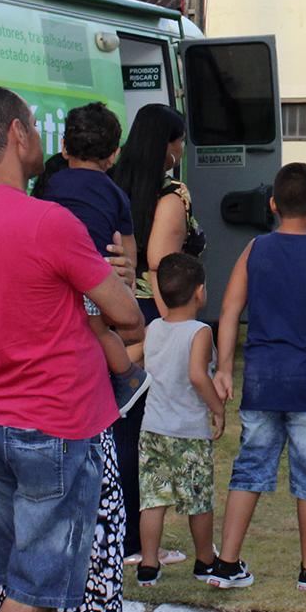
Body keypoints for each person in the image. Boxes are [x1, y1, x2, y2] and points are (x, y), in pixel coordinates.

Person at [0, 85, 147, 612]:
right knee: (32, 595)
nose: (37, 136)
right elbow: (129, 317)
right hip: (55, 426)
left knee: (28, 588)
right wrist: (114, 284)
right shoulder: (49, 222)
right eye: (31, 125)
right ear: (14, 134)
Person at [208, 163, 306, 592]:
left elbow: (230, 310)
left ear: (273, 204)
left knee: (250, 469)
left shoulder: (255, 249)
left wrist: (223, 367)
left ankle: (227, 562)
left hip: (262, 381)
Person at [109, 103, 205, 564]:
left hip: (109, 308)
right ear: (168, 144)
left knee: (116, 424)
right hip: (150, 312)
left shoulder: (112, 182)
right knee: (142, 428)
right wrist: (173, 328)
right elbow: (160, 265)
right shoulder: (171, 196)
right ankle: (133, 541)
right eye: (180, 140)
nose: (181, 150)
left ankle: (113, 532)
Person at [37, 102, 151, 415]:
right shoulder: (115, 193)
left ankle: (127, 380)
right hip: (98, 275)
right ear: (114, 154)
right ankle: (128, 377)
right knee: (101, 330)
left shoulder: (50, 185)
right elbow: (127, 250)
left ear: (64, 147)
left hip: (58, 277)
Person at [136, 254, 224, 587]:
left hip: (153, 429)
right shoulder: (199, 332)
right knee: (198, 500)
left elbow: (145, 361)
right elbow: (198, 377)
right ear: (199, 292)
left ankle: (148, 564)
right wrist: (217, 408)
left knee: (153, 500)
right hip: (189, 432)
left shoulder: (154, 328)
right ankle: (204, 559)